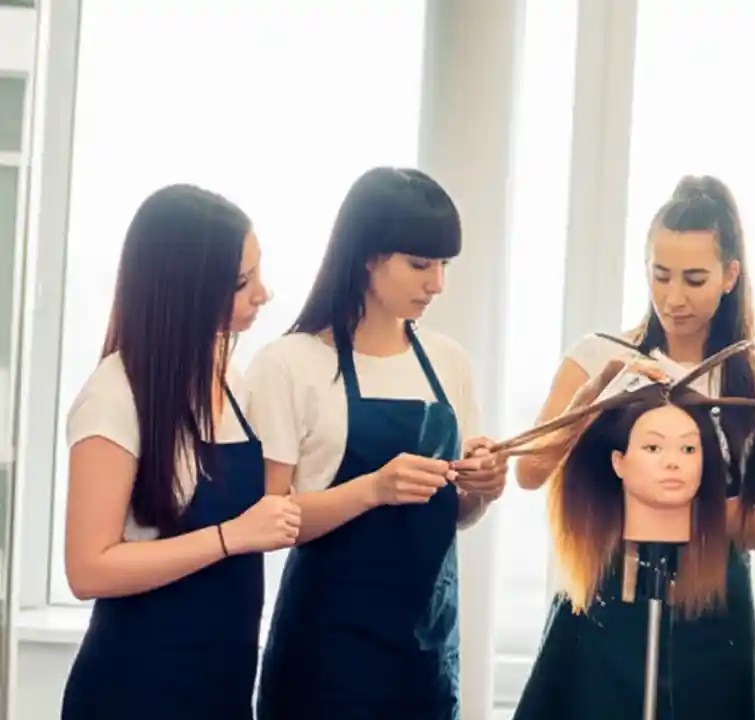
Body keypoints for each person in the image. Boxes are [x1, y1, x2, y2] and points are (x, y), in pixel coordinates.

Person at [512, 176, 755, 719]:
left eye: (694, 279)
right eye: (660, 275)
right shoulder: (598, 355)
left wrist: (691, 507)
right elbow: (528, 473)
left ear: (730, 276)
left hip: (712, 613)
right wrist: (595, 397)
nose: (673, 298)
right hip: (603, 604)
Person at [248, 167, 508, 718]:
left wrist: (482, 488)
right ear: (368, 255)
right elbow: (269, 520)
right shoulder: (290, 363)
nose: (436, 283)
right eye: (420, 264)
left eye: (443, 266)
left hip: (426, 654)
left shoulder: (448, 361)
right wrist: (372, 489)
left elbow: (456, 513)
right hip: (326, 654)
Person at [60, 185, 299, 720]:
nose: (264, 294)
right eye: (243, 281)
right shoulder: (116, 393)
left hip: (221, 684)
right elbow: (88, 568)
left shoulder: (230, 379)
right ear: (188, 288)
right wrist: (230, 537)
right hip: (138, 690)